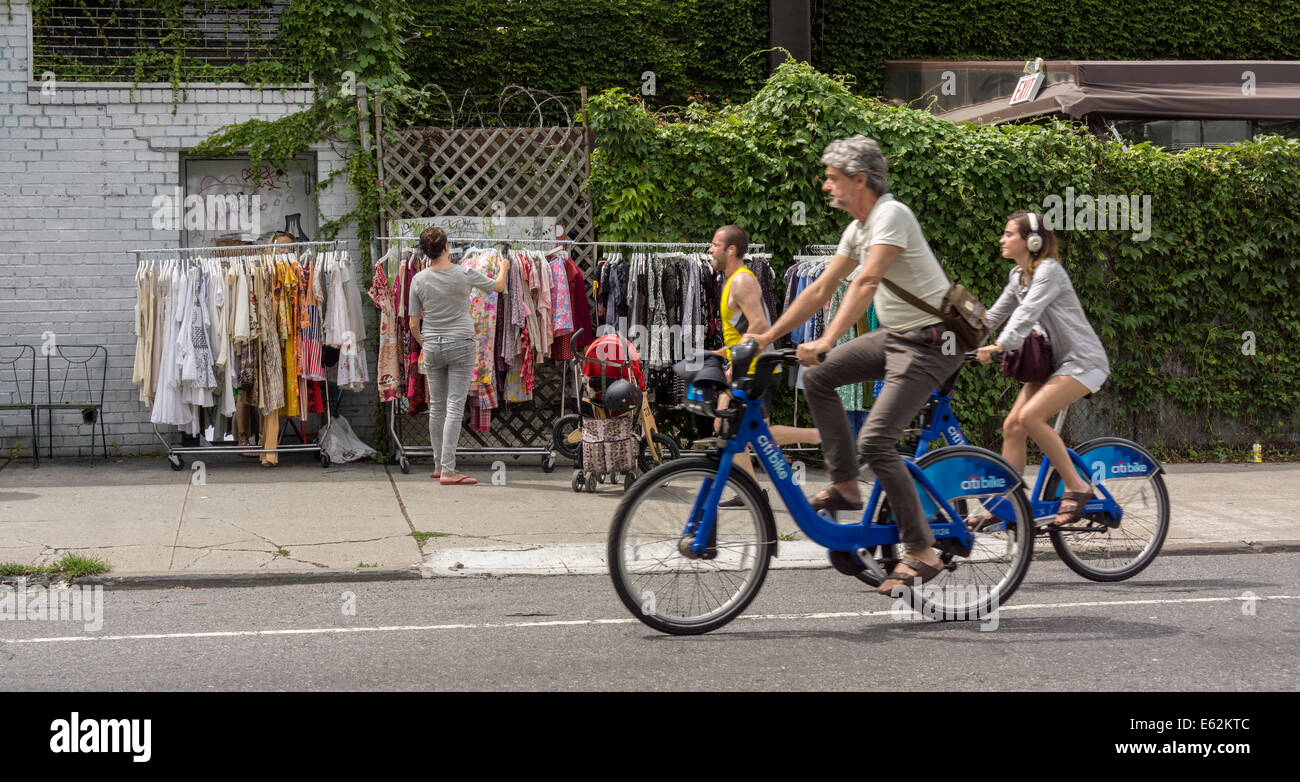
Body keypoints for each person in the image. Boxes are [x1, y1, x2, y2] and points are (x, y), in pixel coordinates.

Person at [746, 135, 962, 594]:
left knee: (879, 440)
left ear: (859, 180)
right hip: (898, 336)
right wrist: (768, 336)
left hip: (933, 341)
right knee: (819, 377)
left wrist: (825, 339)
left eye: (833, 178)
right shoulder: (856, 229)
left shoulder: (892, 215)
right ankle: (846, 484)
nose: (826, 186)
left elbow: (865, 282)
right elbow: (818, 290)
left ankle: (921, 549)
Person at [975, 211, 1110, 525]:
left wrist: (1000, 346)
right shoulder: (1017, 276)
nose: (1002, 239)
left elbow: (1025, 315)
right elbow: (992, 318)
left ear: (1032, 241)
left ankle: (1077, 485)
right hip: (1054, 364)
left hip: (1083, 362)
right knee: (1013, 426)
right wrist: (951, 343)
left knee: (1030, 417)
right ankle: (1007, 506)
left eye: (1009, 234)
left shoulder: (1049, 270)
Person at [707, 225, 819, 505]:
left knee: (742, 431)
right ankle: (752, 493)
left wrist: (737, 362)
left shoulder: (742, 281)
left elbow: (758, 324)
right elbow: (742, 325)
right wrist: (726, 351)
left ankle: (820, 436)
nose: (710, 249)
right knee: (733, 429)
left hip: (755, 368)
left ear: (731, 250)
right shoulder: (730, 279)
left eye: (714, 244)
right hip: (748, 364)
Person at [407, 227, 509, 486]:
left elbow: (412, 324)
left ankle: (437, 464)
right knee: (453, 406)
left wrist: (426, 342)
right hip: (461, 343)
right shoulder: (464, 272)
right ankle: (449, 471)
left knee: (437, 407)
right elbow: (497, 286)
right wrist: (505, 266)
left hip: (431, 346)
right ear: (445, 247)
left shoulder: (418, 279)